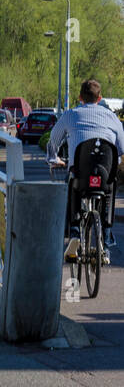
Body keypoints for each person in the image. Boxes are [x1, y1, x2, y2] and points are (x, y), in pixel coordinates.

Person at [47, 79, 124, 260]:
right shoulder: (112, 117)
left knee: (73, 183)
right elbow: (121, 147)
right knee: (110, 189)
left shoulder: (70, 115)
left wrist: (53, 159)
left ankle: (74, 232)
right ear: (100, 98)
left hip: (81, 173)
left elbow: (53, 140)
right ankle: (106, 236)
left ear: (80, 97)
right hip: (105, 174)